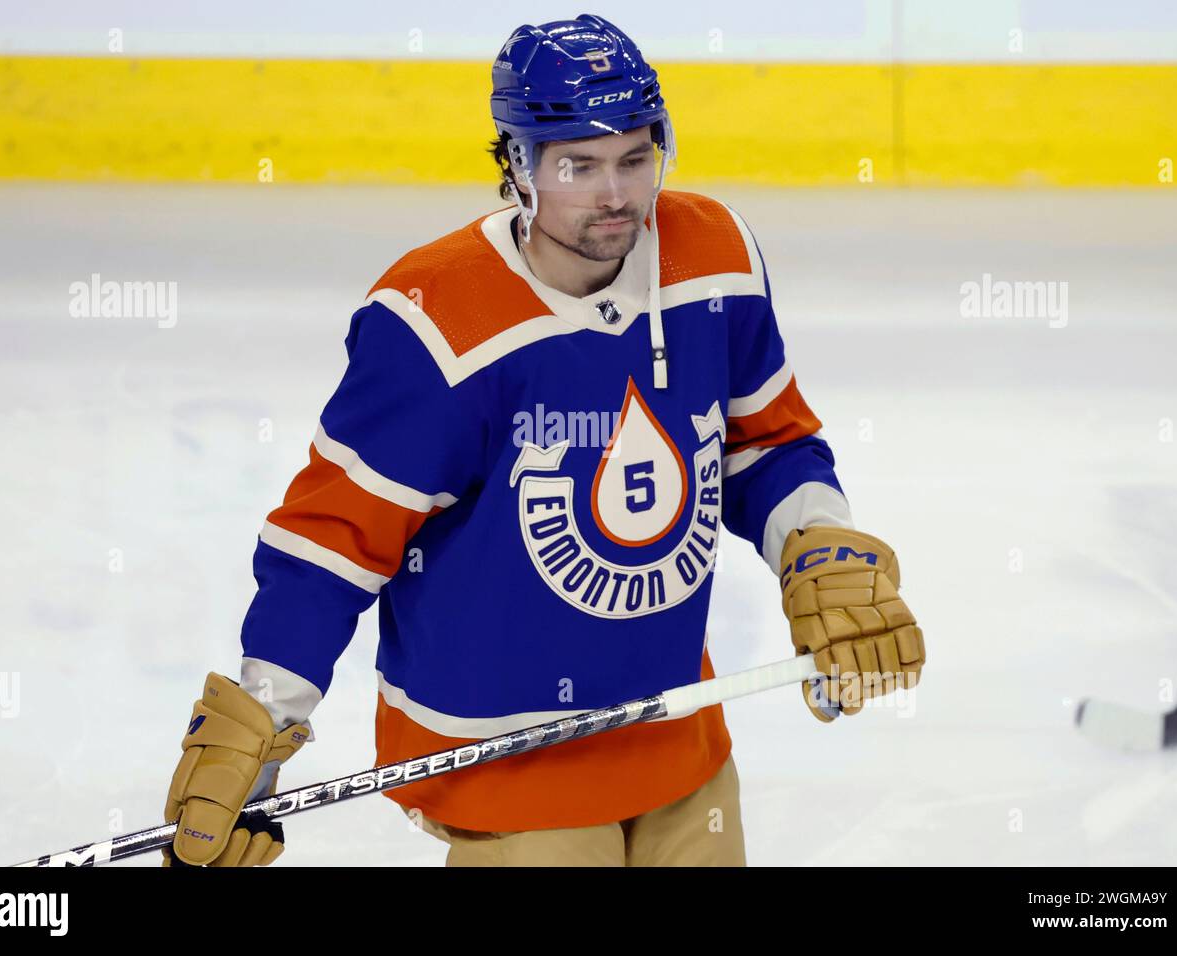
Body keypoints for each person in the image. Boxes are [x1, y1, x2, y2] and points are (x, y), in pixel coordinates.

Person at [161, 13, 925, 868]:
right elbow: (333, 542)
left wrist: (816, 543)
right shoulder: (435, 321)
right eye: (579, 166)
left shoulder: (714, 257)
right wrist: (257, 724)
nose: (615, 195)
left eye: (637, 158)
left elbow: (766, 442)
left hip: (673, 728)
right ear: (518, 165)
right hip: (501, 754)